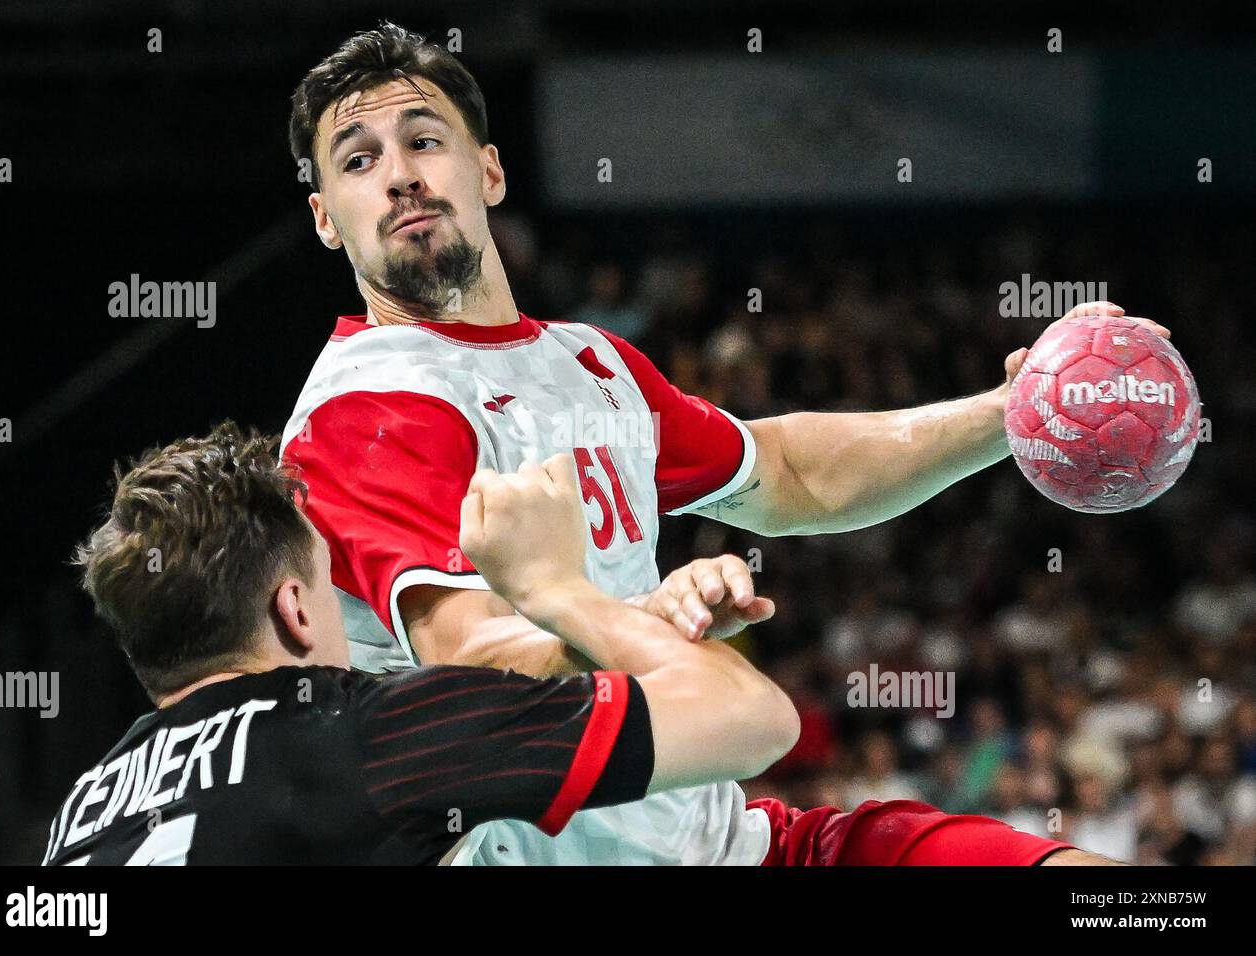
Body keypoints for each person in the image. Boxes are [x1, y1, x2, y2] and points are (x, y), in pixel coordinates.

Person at [282, 22, 1138, 865]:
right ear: (326, 219)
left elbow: (792, 474)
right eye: (359, 160)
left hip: (725, 841)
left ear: (490, 170)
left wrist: (1007, 413)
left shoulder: (590, 362)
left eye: (424, 140)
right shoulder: (365, 409)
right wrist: (637, 623)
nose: (399, 177)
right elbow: (467, 660)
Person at [43, 423, 797, 865]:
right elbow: (755, 718)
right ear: (295, 609)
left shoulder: (79, 814)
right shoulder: (368, 732)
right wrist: (554, 589)